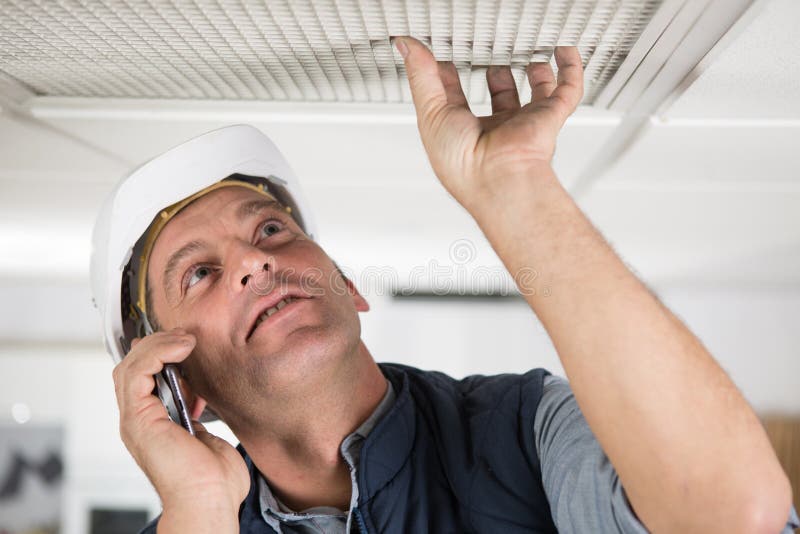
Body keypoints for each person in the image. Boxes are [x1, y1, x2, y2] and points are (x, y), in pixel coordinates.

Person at [90, 37, 798, 533]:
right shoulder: (196, 520)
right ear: (181, 387)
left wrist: (514, 188)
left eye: (271, 230)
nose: (254, 261)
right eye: (201, 272)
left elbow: (731, 515)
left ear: (347, 286)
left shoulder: (524, 430)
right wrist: (202, 512)